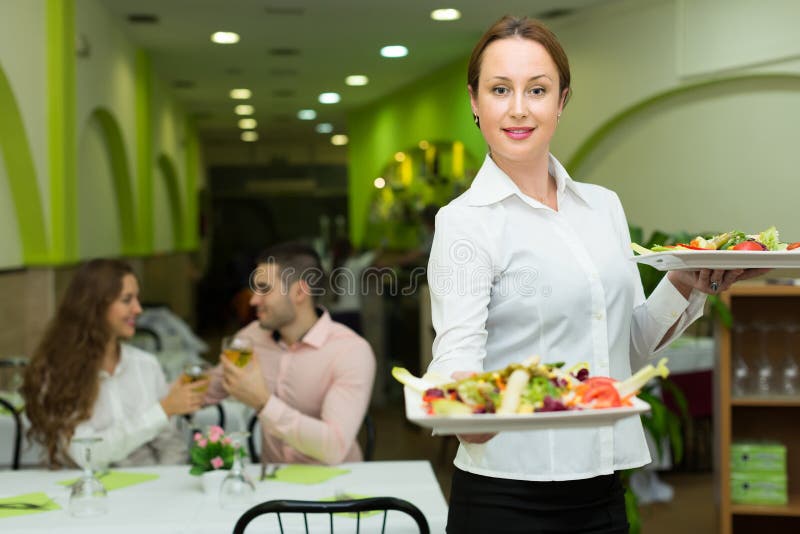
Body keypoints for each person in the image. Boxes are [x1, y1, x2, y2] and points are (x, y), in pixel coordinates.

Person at [426, 16, 768, 533]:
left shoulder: (601, 207)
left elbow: (626, 347)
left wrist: (685, 281)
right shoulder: (465, 222)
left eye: (537, 90)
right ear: (475, 101)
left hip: (602, 490)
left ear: (561, 101)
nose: (518, 108)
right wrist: (463, 414)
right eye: (500, 89)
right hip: (506, 497)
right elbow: (456, 354)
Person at [204, 242, 376, 464]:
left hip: (336, 488)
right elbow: (210, 388)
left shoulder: (350, 351)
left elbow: (334, 447)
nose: (254, 299)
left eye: (264, 289)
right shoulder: (251, 337)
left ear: (299, 292)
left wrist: (263, 403)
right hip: (273, 486)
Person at [22, 259, 205, 468]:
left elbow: (172, 447)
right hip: (86, 491)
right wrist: (162, 411)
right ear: (96, 307)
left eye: (137, 298)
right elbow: (86, 454)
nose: (138, 309)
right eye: (127, 300)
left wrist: (163, 491)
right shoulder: (57, 372)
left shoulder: (145, 365)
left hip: (149, 489)